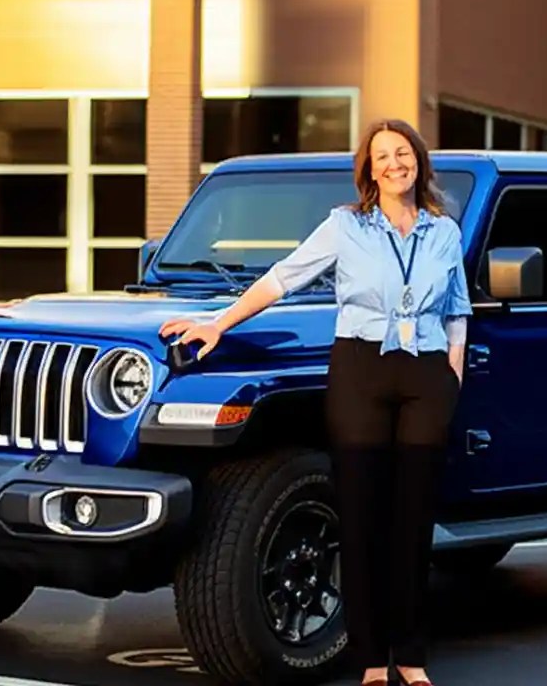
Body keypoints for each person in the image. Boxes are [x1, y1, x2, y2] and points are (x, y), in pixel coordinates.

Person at [158, 118, 471, 686]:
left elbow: (457, 309)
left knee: (413, 523)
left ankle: (413, 657)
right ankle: (373, 662)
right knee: (360, 519)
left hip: (425, 374)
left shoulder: (444, 231)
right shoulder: (345, 227)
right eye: (382, 157)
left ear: (419, 162)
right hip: (361, 370)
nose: (394, 163)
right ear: (369, 172)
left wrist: (451, 375)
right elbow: (285, 277)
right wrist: (218, 323)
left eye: (403, 153)